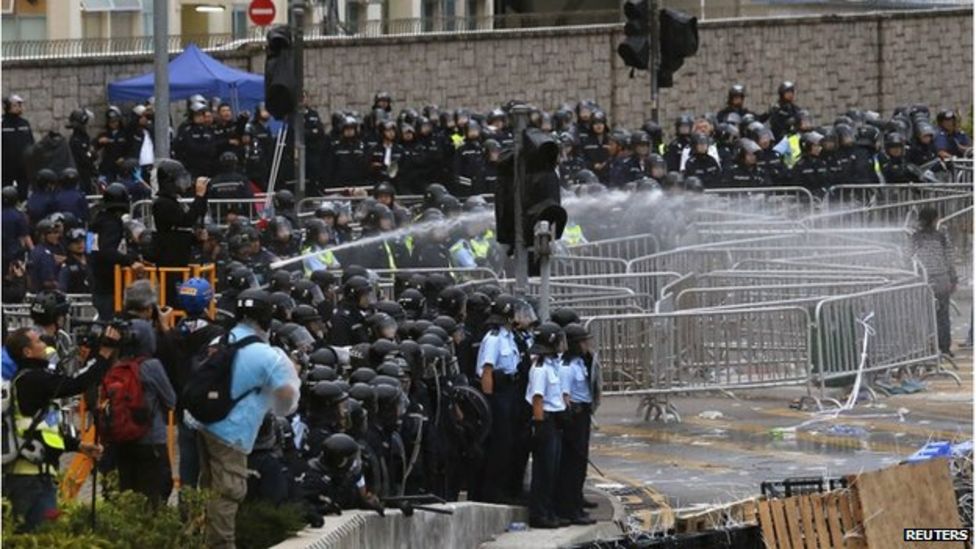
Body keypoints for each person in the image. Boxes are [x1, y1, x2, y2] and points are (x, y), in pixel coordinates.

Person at [189, 289, 300, 548]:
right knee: (229, 492)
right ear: (265, 318)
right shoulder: (267, 355)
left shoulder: (221, 338)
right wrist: (292, 373)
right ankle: (221, 545)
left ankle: (200, 541)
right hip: (231, 431)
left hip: (201, 422)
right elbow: (287, 403)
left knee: (208, 489)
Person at [3, 326, 116, 531]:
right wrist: (103, 355)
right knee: (41, 536)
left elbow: (44, 430)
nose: (44, 344)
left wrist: (78, 445)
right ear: (27, 352)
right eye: (38, 342)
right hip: (31, 480)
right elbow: (76, 383)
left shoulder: (30, 378)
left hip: (33, 476)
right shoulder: (32, 379)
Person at [105, 317, 176, 506]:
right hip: (151, 441)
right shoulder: (152, 366)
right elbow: (171, 401)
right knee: (154, 496)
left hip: (122, 441)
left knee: (128, 494)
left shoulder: (116, 365)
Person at [476, 294, 521, 504]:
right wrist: (489, 403)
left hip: (510, 392)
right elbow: (487, 372)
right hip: (498, 394)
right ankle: (492, 492)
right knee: (499, 445)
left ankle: (503, 489)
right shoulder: (493, 339)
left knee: (509, 443)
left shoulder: (508, 337)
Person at [556, 323, 599, 525]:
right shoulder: (566, 368)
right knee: (571, 465)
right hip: (573, 417)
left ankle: (576, 504)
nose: (586, 345)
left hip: (583, 415)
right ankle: (569, 509)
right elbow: (565, 396)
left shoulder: (580, 363)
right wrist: (570, 418)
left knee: (580, 464)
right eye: (583, 342)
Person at [525, 321, 566, 529]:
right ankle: (539, 514)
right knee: (544, 471)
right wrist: (540, 426)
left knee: (553, 470)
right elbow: (538, 400)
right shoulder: (540, 368)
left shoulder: (552, 365)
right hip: (545, 422)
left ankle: (549, 510)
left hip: (554, 421)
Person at [151, 159, 209, 307]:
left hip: (180, 258)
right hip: (169, 261)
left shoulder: (174, 201)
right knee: (173, 301)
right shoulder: (162, 203)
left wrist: (195, 238)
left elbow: (179, 231)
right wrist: (199, 197)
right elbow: (185, 221)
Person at [90, 183, 142, 320]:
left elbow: (89, 249)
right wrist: (130, 261)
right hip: (110, 284)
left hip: (97, 280)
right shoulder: (112, 224)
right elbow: (107, 251)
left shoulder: (95, 222)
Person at [910, 207, 957, 356]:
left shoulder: (915, 238)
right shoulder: (941, 237)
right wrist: (953, 279)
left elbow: (909, 258)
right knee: (942, 315)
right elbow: (949, 258)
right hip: (941, 279)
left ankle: (927, 347)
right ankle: (944, 348)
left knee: (925, 315)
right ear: (935, 219)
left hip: (923, 281)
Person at [2, 95, 34, 198]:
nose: (20, 107)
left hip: (23, 170)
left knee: (23, 196)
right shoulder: (2, 124)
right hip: (6, 170)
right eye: (16, 105)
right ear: (8, 107)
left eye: (20, 105)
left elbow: (31, 143)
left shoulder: (24, 124)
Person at [93, 106, 129, 181]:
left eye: (115, 121)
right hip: (107, 167)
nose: (114, 124)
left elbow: (131, 149)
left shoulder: (125, 133)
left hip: (121, 168)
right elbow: (94, 146)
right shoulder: (105, 134)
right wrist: (98, 141)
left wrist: (124, 158)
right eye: (111, 122)